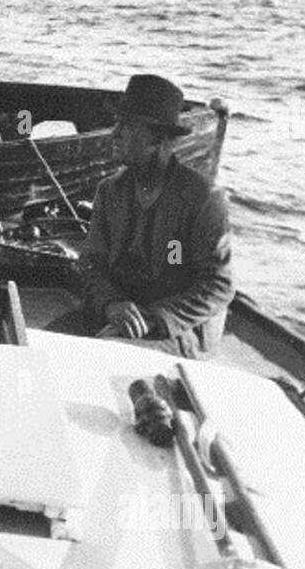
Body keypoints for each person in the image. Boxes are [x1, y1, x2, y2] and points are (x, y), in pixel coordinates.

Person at [78, 74, 233, 358]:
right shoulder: (110, 191)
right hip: (120, 314)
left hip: (177, 326)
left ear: (158, 137)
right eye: (117, 123)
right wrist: (111, 303)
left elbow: (217, 285)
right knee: (35, 345)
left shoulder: (203, 199)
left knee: (101, 355)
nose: (115, 133)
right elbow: (90, 262)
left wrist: (153, 319)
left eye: (127, 125)